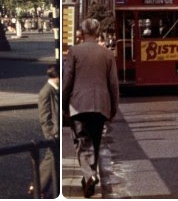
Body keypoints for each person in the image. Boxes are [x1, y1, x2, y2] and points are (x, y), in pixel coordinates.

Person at [62, 18, 119, 199]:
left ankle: (89, 176)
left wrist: (63, 103)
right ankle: (90, 179)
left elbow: (67, 81)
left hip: (78, 105)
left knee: (81, 142)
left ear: (82, 33)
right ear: (97, 32)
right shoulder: (107, 53)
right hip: (101, 105)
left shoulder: (74, 52)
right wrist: (113, 108)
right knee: (94, 142)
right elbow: (113, 84)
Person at [34, 66, 61, 199]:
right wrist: (53, 133)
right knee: (51, 159)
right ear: (57, 77)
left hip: (56, 133)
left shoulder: (55, 90)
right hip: (53, 134)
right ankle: (38, 187)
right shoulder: (46, 92)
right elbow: (44, 117)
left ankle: (40, 187)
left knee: (53, 160)